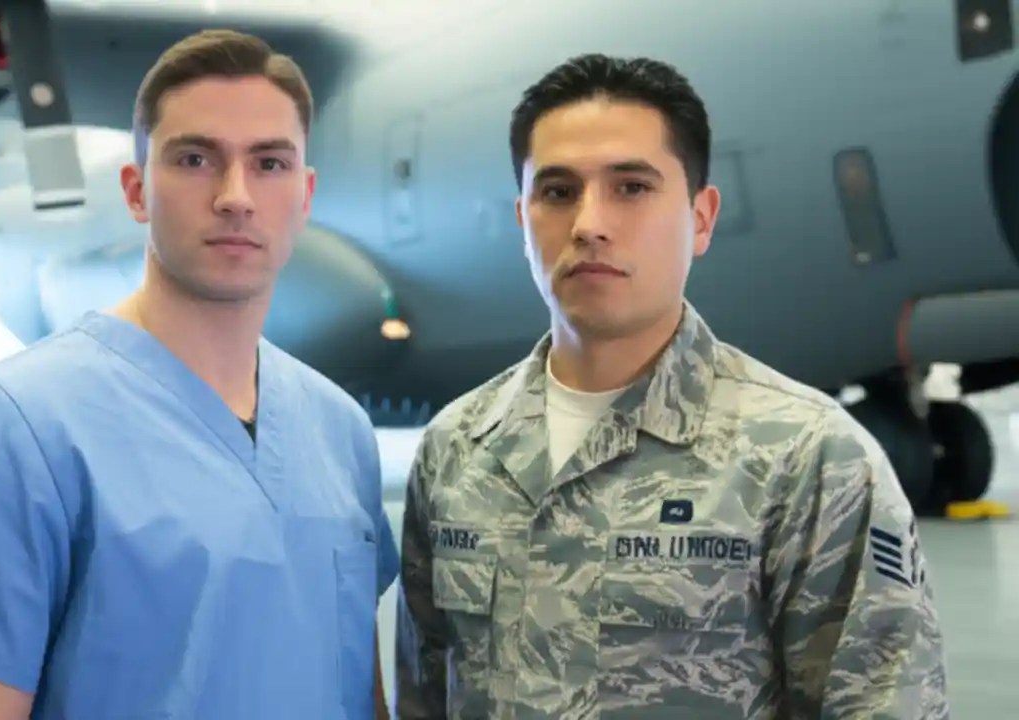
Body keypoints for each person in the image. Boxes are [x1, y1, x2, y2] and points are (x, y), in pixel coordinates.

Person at [394, 53, 948, 719]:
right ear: (523, 220)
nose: (589, 223)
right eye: (558, 191)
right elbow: (424, 696)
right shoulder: (457, 449)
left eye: (631, 187)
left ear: (702, 217)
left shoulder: (806, 458)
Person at [0, 28, 399, 720]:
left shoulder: (340, 431)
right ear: (136, 190)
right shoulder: (18, 425)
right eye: (195, 158)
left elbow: (358, 684)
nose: (236, 195)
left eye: (269, 164)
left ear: (304, 195)